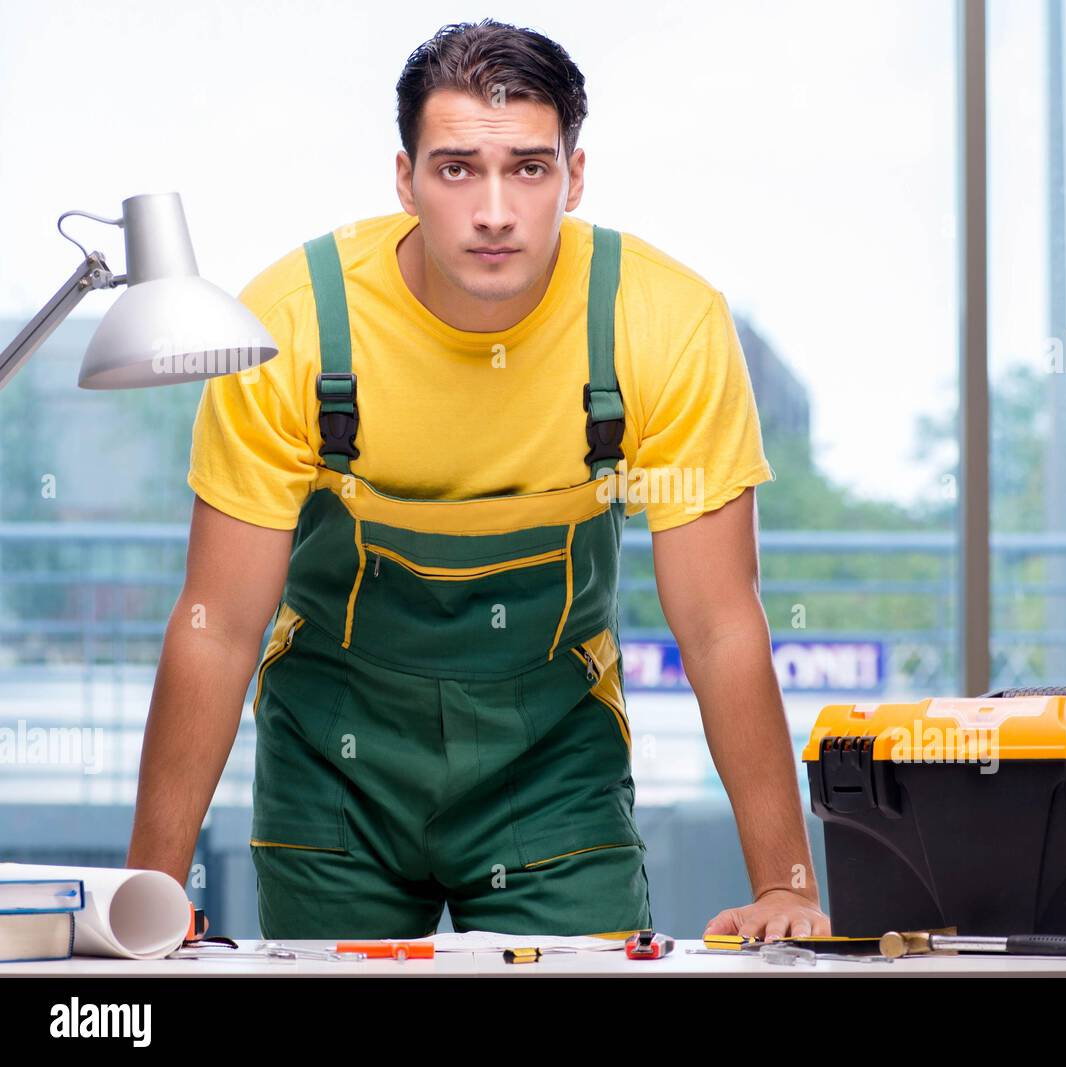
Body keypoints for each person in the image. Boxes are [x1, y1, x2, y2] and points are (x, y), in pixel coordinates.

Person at [127, 18, 830, 941]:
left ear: (575, 177)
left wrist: (785, 883)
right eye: (457, 168)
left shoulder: (663, 325)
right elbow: (216, 629)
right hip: (335, 767)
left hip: (551, 771)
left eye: (529, 168)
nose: (493, 210)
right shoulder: (293, 325)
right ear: (405, 179)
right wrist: (139, 898)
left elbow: (721, 623)